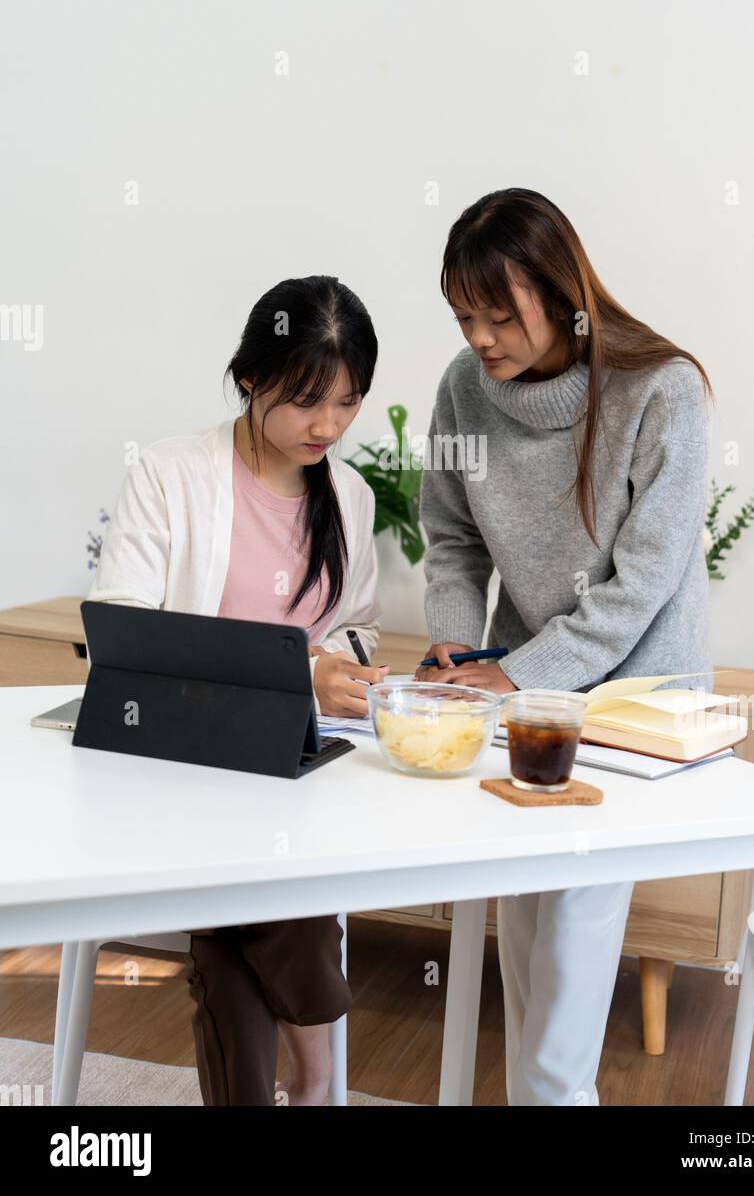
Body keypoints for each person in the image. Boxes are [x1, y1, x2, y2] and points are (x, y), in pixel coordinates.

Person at [414, 188, 714, 1105]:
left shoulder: (661, 390)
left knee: (572, 957)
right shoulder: (467, 390)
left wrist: (516, 672)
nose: (480, 339)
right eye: (465, 316)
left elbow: (643, 583)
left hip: (636, 701)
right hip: (518, 691)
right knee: (527, 934)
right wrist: (459, 655)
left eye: (499, 314)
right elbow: (454, 539)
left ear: (563, 294)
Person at [89, 275, 389, 1104]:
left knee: (233, 921)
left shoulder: (350, 498)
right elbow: (126, 637)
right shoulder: (170, 473)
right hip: (182, 763)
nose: (327, 426)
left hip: (300, 769)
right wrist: (300, 672)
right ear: (251, 377)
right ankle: (318, 1071)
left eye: (348, 402)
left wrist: (347, 668)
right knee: (264, 890)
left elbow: (357, 625)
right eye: (304, 401)